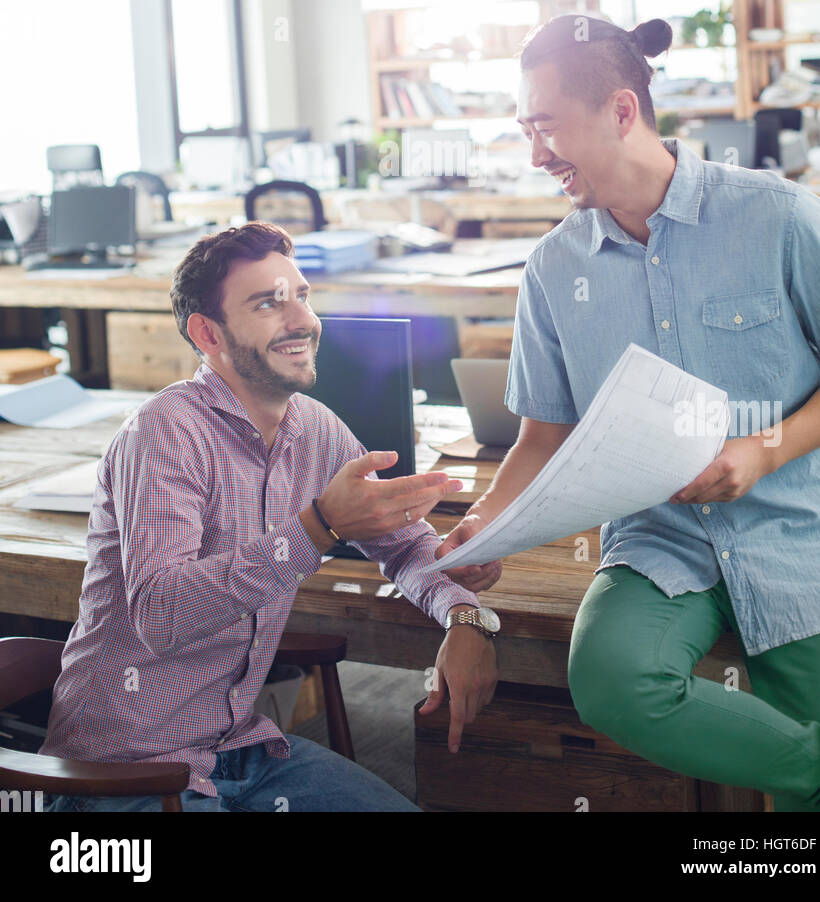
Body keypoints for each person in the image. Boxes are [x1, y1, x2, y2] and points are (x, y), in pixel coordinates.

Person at [437, 11, 820, 813]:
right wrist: (489, 525)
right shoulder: (554, 268)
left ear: (622, 111)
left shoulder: (780, 216)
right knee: (613, 683)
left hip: (800, 533)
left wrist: (764, 451)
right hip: (658, 541)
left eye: (545, 128)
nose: (535, 155)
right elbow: (545, 434)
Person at [41, 222, 497, 812]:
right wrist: (319, 527)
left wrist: (466, 615)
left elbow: (407, 547)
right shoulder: (164, 432)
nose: (302, 321)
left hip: (242, 748)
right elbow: (161, 614)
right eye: (267, 304)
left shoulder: (315, 426)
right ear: (208, 333)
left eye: (302, 296)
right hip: (122, 769)